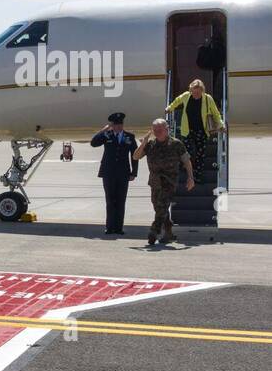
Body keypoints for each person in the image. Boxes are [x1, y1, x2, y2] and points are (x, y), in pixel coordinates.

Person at [132, 117, 195, 246]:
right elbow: (135, 156)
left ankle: (153, 232)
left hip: (169, 181)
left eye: (160, 129)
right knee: (159, 207)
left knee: (161, 207)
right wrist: (143, 144)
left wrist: (190, 177)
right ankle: (169, 233)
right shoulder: (150, 145)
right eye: (155, 130)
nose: (157, 132)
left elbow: (186, 161)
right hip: (154, 181)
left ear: (167, 130)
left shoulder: (176, 144)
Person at [89, 112, 137, 235]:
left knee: (121, 200)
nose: (118, 127)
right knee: (110, 200)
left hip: (123, 173)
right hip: (108, 172)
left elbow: (134, 156)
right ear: (112, 125)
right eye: (116, 125)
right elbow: (93, 143)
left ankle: (119, 227)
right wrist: (104, 129)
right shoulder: (107, 135)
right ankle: (110, 227)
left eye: (120, 124)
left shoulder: (129, 137)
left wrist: (134, 172)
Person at [166, 78, 225, 173]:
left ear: (202, 91)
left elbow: (216, 113)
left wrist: (221, 125)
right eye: (193, 93)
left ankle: (197, 173)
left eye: (198, 93)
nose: (195, 95)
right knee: (187, 152)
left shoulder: (208, 98)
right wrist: (170, 108)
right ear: (190, 90)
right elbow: (177, 101)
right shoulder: (186, 96)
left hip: (202, 131)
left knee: (200, 154)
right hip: (187, 130)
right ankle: (188, 169)